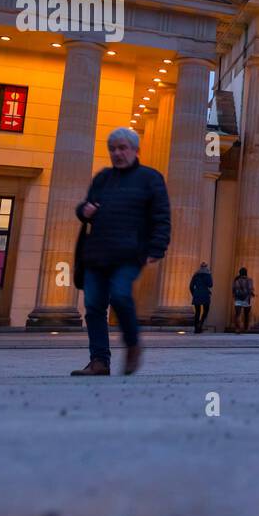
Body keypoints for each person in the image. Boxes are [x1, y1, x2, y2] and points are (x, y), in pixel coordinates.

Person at [70, 127, 170, 377]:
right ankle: (99, 361)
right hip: (96, 252)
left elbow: (161, 216)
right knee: (93, 306)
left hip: (129, 252)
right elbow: (85, 207)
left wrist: (157, 247)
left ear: (136, 150)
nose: (117, 153)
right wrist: (84, 211)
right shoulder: (103, 178)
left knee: (120, 295)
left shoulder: (150, 178)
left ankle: (133, 343)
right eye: (113, 149)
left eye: (122, 148)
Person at [190, 262, 213, 333]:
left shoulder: (196, 275)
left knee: (197, 312)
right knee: (206, 310)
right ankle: (201, 323)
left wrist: (194, 294)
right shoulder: (208, 275)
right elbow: (210, 285)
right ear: (206, 267)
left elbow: (191, 286)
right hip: (205, 294)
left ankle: (196, 327)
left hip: (197, 294)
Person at [231, 267, 255, 332]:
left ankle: (237, 328)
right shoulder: (249, 280)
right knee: (246, 314)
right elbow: (251, 289)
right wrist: (252, 294)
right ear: (246, 273)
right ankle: (245, 328)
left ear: (240, 273)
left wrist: (234, 295)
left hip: (238, 298)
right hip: (246, 299)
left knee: (237, 314)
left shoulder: (236, 280)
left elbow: (233, 289)